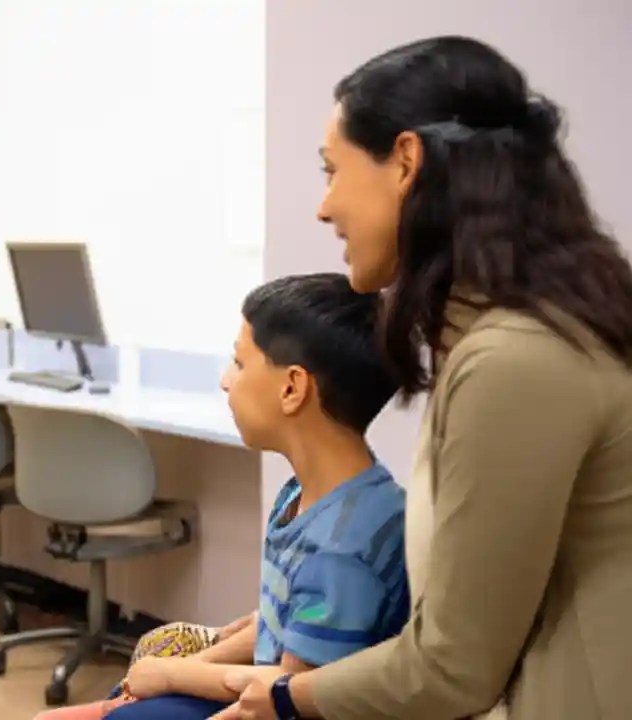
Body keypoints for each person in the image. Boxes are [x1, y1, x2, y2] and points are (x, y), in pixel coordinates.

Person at [220, 36, 632, 720]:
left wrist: (285, 697)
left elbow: (451, 670)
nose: (324, 209)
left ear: (406, 161)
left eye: (332, 172)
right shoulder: (522, 335)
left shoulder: (515, 361)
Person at [35, 273, 408, 720]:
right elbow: (282, 626)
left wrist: (171, 676)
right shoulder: (306, 496)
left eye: (239, 363)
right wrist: (180, 666)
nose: (225, 381)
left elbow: (287, 695)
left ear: (292, 388)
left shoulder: (343, 548)